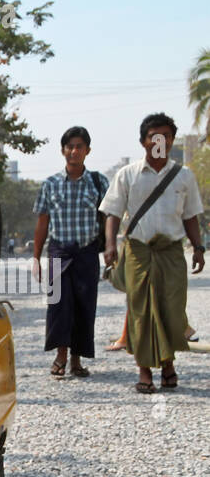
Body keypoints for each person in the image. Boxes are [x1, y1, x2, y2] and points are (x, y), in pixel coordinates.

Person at [100, 112, 205, 392]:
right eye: (154, 137)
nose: (160, 141)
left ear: (171, 141)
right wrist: (110, 245)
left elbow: (191, 216)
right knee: (141, 311)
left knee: (172, 311)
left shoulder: (184, 176)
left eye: (166, 136)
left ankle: (168, 365)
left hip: (171, 253)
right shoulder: (128, 175)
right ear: (144, 142)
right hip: (138, 252)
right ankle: (145, 371)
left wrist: (198, 247)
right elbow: (112, 212)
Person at [31, 126, 106, 378]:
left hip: (87, 253)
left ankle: (76, 359)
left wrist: (112, 249)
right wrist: (35, 258)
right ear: (63, 150)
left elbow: (109, 218)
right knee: (58, 305)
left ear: (87, 151)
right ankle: (60, 356)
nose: (74, 151)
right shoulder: (50, 184)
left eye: (79, 147)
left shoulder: (99, 182)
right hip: (58, 253)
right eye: (70, 146)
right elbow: (42, 223)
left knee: (84, 306)